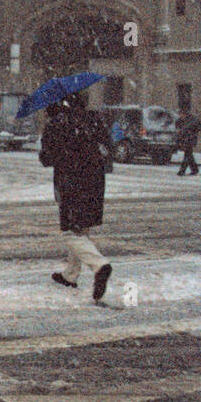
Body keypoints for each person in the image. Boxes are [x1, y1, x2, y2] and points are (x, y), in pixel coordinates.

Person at [39, 92, 114, 302]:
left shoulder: (58, 123)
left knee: (70, 231)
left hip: (72, 181)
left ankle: (99, 265)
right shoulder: (94, 119)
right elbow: (109, 148)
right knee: (82, 228)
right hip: (96, 181)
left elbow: (47, 157)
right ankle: (70, 275)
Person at [175, 108, 201, 176]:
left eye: (181, 114)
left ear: (185, 114)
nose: (181, 116)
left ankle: (182, 170)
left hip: (190, 139)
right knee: (189, 155)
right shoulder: (180, 121)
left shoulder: (193, 121)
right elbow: (178, 128)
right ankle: (194, 169)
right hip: (185, 139)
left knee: (187, 154)